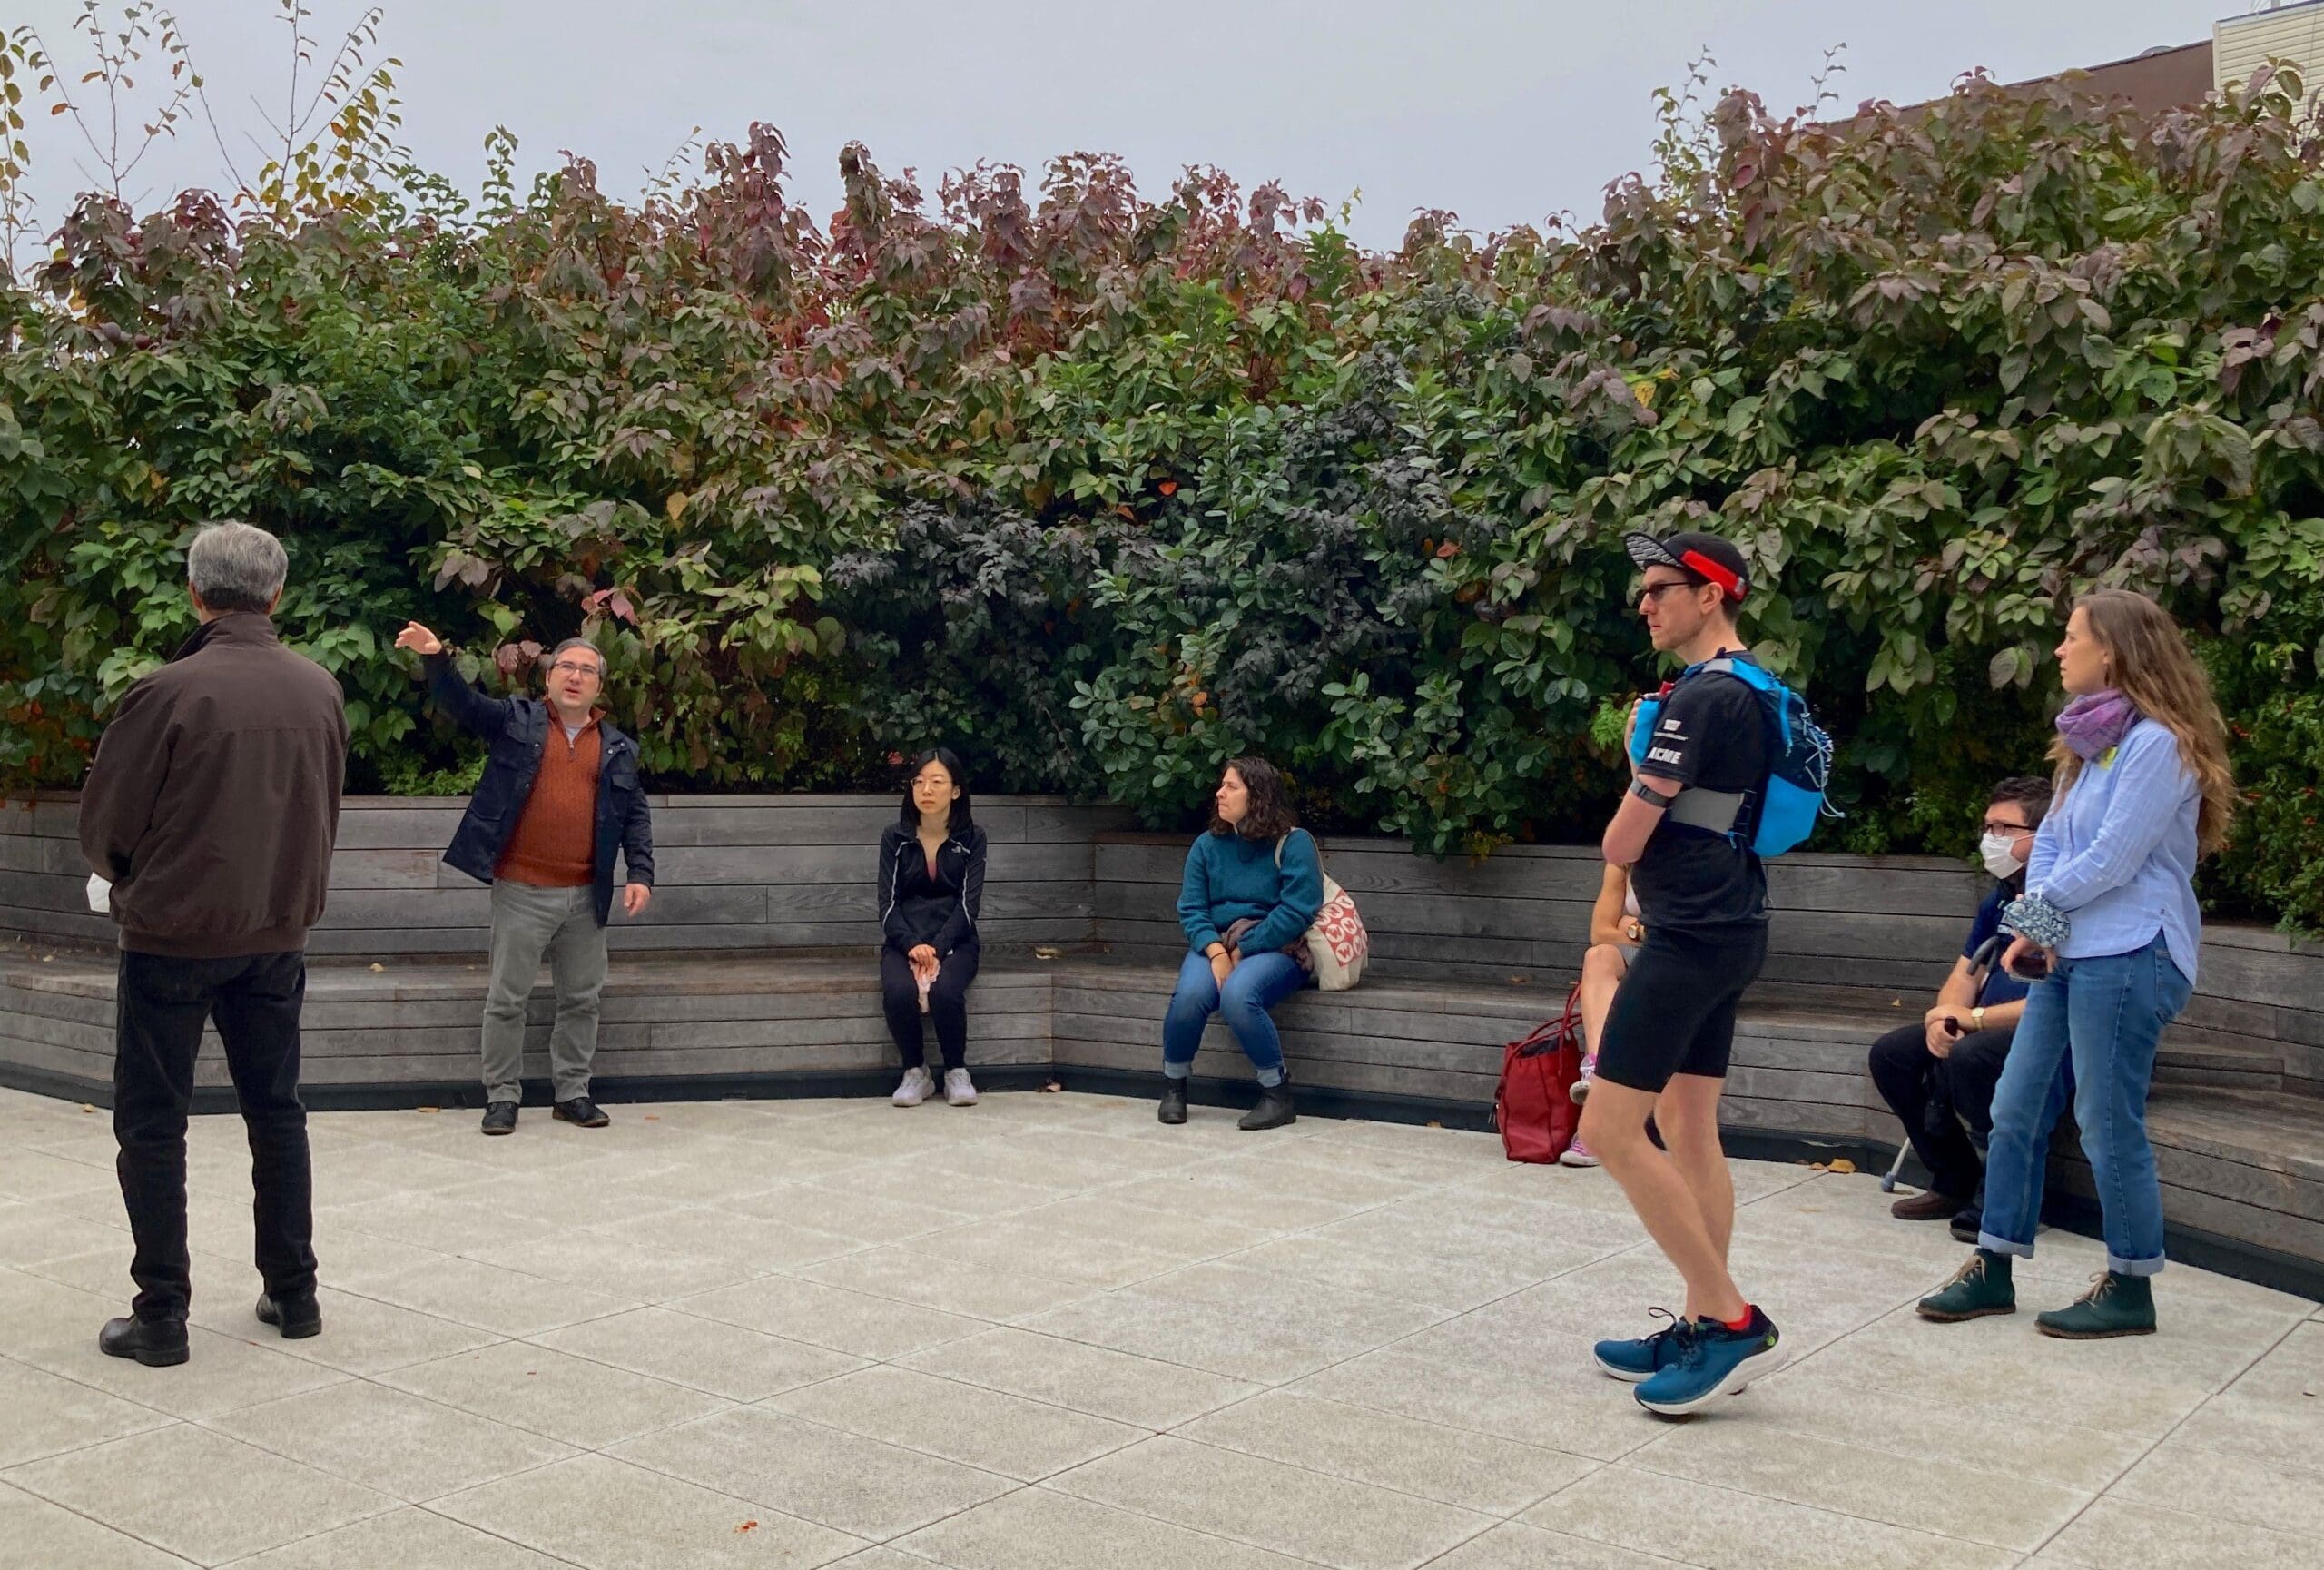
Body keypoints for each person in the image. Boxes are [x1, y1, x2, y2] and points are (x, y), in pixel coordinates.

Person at [1918, 588, 2235, 1338]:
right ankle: (1993, 1265)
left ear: (2113, 651)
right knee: (2013, 1105)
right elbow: (2055, 845)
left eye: (2070, 638)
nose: (2059, 650)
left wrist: (2037, 916)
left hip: (2131, 951)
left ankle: (2131, 1283)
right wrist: (2038, 924)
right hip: (2072, 949)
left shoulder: (2160, 742)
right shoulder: (2087, 746)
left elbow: (2117, 857)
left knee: (2103, 1117)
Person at [77, 521, 348, 1367]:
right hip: (276, 933)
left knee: (153, 1123)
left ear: (197, 592)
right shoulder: (320, 689)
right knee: (277, 1111)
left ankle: (162, 1314)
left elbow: (105, 827)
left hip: (171, 937)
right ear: (277, 593)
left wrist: (126, 881)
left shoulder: (165, 691)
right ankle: (294, 1291)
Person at [1577, 529, 1783, 1417]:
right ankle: (1703, 1316)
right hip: (1730, 922)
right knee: (1688, 1126)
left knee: (1615, 1129)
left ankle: (1731, 1317)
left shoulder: (1698, 702)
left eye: (1662, 588)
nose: (1646, 603)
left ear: (1713, 597)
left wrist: (1637, 764)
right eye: (1643, 591)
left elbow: (1620, 839)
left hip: (1691, 934)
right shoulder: (1748, 691)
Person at [393, 621, 655, 1134]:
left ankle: (572, 1093)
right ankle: (502, 1097)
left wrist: (640, 872)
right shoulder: (517, 721)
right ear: (550, 677)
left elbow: (635, 816)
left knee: (582, 999)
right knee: (507, 999)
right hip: (521, 891)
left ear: (599, 686)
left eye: (586, 670)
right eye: (566, 667)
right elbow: (463, 705)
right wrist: (436, 658)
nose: (575, 677)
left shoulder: (619, 747)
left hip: (587, 897)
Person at [1868, 776, 2051, 1241]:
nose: (1992, 839)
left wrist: (1974, 1021)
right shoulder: (2001, 899)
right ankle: (1953, 1179)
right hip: (1984, 1025)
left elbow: (2055, 1001)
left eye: (2005, 828)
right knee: (1894, 1054)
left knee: (1975, 1055)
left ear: (2043, 834)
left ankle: (2006, 1192)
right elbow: (1966, 973)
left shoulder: (2061, 900)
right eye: (1988, 827)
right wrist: (1944, 1016)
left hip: (2051, 1034)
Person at [1157, 756, 1323, 1132]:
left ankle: (1277, 1095)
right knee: (1189, 996)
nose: (1220, 792)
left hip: (1275, 947)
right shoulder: (1206, 845)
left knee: (1238, 995)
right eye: (1222, 785)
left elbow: (1298, 911)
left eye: (1232, 787)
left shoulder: (1294, 844)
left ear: (1259, 796)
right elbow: (1192, 908)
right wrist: (1217, 952)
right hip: (1216, 944)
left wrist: (1243, 949)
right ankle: (1174, 1086)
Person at [881, 748, 989, 1107]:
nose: (926, 789)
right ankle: (916, 1072)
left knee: (945, 992)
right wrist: (912, 945)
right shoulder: (895, 838)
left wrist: (938, 948)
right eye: (919, 781)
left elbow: (967, 907)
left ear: (955, 791)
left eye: (937, 781)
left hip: (956, 941)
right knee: (898, 992)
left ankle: (956, 1071)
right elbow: (888, 905)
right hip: (904, 941)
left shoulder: (972, 839)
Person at [1557, 864, 1647, 1169]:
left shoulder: (1694, 848)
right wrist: (1639, 928)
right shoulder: (1624, 857)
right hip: (1642, 953)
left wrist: (1628, 924)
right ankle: (1596, 1071)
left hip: (1690, 961)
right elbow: (1600, 932)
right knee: (1598, 957)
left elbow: (1684, 931)